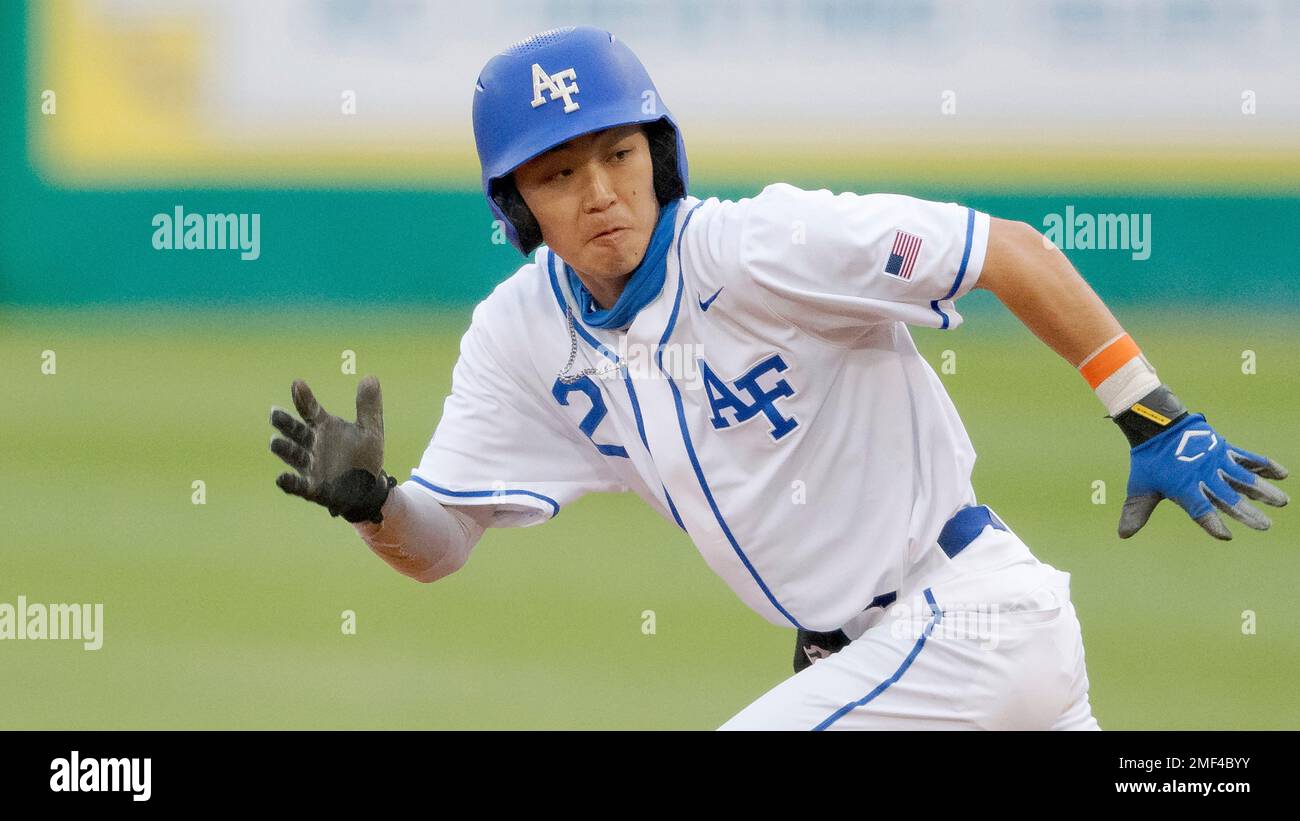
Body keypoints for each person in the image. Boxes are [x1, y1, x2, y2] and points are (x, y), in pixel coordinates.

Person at [267, 26, 1290, 730]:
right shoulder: (519, 335)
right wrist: (373, 505)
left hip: (969, 624)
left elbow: (1007, 251)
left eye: (617, 155)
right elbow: (440, 544)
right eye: (557, 174)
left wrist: (1154, 417)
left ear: (658, 155)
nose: (599, 194)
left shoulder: (763, 246)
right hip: (883, 669)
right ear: (516, 205)